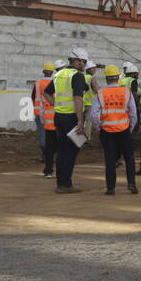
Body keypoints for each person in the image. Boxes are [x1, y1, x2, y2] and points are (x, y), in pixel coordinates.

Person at [45, 48, 90, 194]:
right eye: (83, 61)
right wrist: (80, 120)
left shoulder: (58, 73)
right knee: (71, 150)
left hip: (58, 117)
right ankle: (66, 184)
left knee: (63, 150)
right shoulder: (77, 76)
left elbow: (46, 92)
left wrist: (55, 104)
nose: (84, 64)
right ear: (77, 61)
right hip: (71, 117)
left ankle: (60, 183)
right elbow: (78, 98)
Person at [91, 65, 138, 195]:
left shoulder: (100, 93)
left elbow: (94, 114)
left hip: (107, 131)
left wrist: (98, 127)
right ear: (118, 78)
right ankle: (131, 183)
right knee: (129, 158)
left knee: (110, 160)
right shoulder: (126, 92)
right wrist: (130, 128)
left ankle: (111, 188)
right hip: (124, 130)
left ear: (106, 79)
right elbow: (133, 113)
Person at [31, 61, 55, 176]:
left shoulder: (38, 83)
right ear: (53, 71)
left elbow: (33, 97)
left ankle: (46, 155)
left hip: (40, 113)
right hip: (54, 114)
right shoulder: (56, 82)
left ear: (43, 71)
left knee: (43, 136)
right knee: (53, 137)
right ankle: (50, 155)